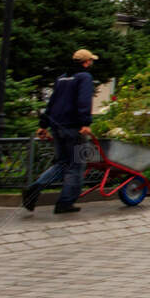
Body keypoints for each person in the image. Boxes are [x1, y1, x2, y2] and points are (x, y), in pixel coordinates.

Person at [23, 49, 98, 215]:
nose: (91, 63)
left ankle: (34, 189)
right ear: (86, 62)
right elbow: (84, 101)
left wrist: (43, 125)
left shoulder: (62, 78)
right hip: (73, 127)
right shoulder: (84, 77)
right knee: (76, 165)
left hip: (57, 126)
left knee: (62, 163)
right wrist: (85, 122)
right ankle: (65, 203)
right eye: (90, 61)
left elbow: (52, 102)